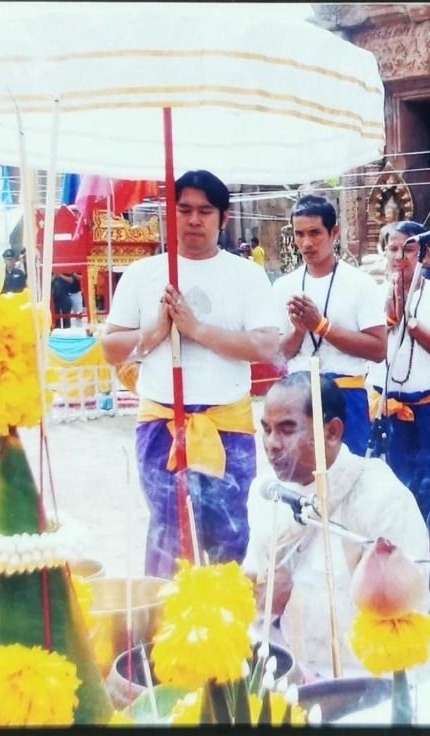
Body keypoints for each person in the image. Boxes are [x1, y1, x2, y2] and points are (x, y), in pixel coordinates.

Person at [101, 169, 284, 578]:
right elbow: (111, 347)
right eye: (184, 210)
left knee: (231, 535)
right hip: (163, 424)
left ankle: (227, 631)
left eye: (205, 211)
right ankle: (166, 632)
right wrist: (156, 332)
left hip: (226, 427)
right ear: (171, 213)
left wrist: (197, 330)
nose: (194, 220)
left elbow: (266, 346)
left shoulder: (246, 275)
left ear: (223, 216)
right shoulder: (143, 274)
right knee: (167, 534)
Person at [243, 372, 429, 680]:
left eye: (287, 430)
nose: (272, 445)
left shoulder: (381, 496)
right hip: (290, 676)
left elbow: (410, 613)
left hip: (367, 682)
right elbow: (255, 600)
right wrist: (267, 603)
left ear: (332, 432)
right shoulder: (265, 494)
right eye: (266, 431)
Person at [373, 220, 430, 609]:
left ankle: (428, 579)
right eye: (392, 249)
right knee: (391, 494)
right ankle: (394, 581)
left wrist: (412, 325)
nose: (399, 258)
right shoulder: (373, 296)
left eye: (408, 250)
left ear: (423, 255)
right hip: (388, 407)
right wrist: (390, 315)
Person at [274, 195, 387, 456]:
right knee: (301, 478)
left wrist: (322, 326)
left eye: (315, 233)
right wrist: (299, 331)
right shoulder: (284, 287)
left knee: (349, 480)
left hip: (346, 397)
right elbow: (278, 354)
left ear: (334, 233)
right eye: (299, 234)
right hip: (298, 397)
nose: (306, 243)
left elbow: (378, 349)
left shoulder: (360, 284)